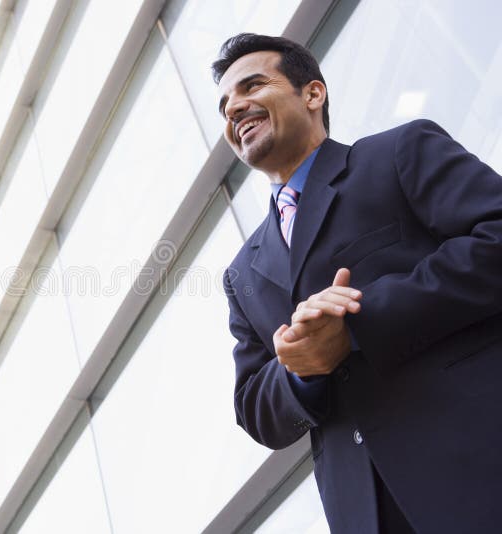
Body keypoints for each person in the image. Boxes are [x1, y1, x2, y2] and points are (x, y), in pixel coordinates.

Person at [215, 33, 502, 533]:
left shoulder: (397, 153)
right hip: (366, 514)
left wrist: (358, 324)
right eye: (224, 106)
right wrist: (301, 369)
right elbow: (254, 406)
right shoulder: (242, 273)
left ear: (312, 94)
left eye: (252, 86)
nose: (234, 108)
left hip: (478, 469)